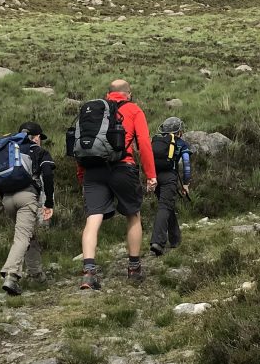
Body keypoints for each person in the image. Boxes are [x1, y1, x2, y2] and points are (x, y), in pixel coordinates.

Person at [70, 79, 154, 290]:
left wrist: (82, 175)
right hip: (123, 167)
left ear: (108, 94)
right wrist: (151, 174)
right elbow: (143, 143)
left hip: (93, 169)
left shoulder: (93, 112)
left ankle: (89, 273)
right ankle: (134, 268)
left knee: (93, 219)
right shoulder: (134, 110)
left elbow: (81, 146)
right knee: (133, 214)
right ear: (129, 93)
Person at [0, 121, 55, 296]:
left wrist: (5, 198)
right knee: (22, 237)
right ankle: (11, 275)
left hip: (7, 198)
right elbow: (48, 174)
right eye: (39, 137)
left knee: (28, 234)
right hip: (27, 197)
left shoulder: (7, 150)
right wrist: (49, 202)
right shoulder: (38, 151)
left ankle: (36, 274)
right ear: (35, 137)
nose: (40, 140)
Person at [149, 116, 192, 257]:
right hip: (169, 178)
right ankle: (158, 242)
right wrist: (186, 184)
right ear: (178, 131)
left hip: (155, 176)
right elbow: (186, 165)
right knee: (165, 206)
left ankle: (175, 239)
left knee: (167, 205)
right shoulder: (181, 144)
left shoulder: (156, 141)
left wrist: (149, 178)